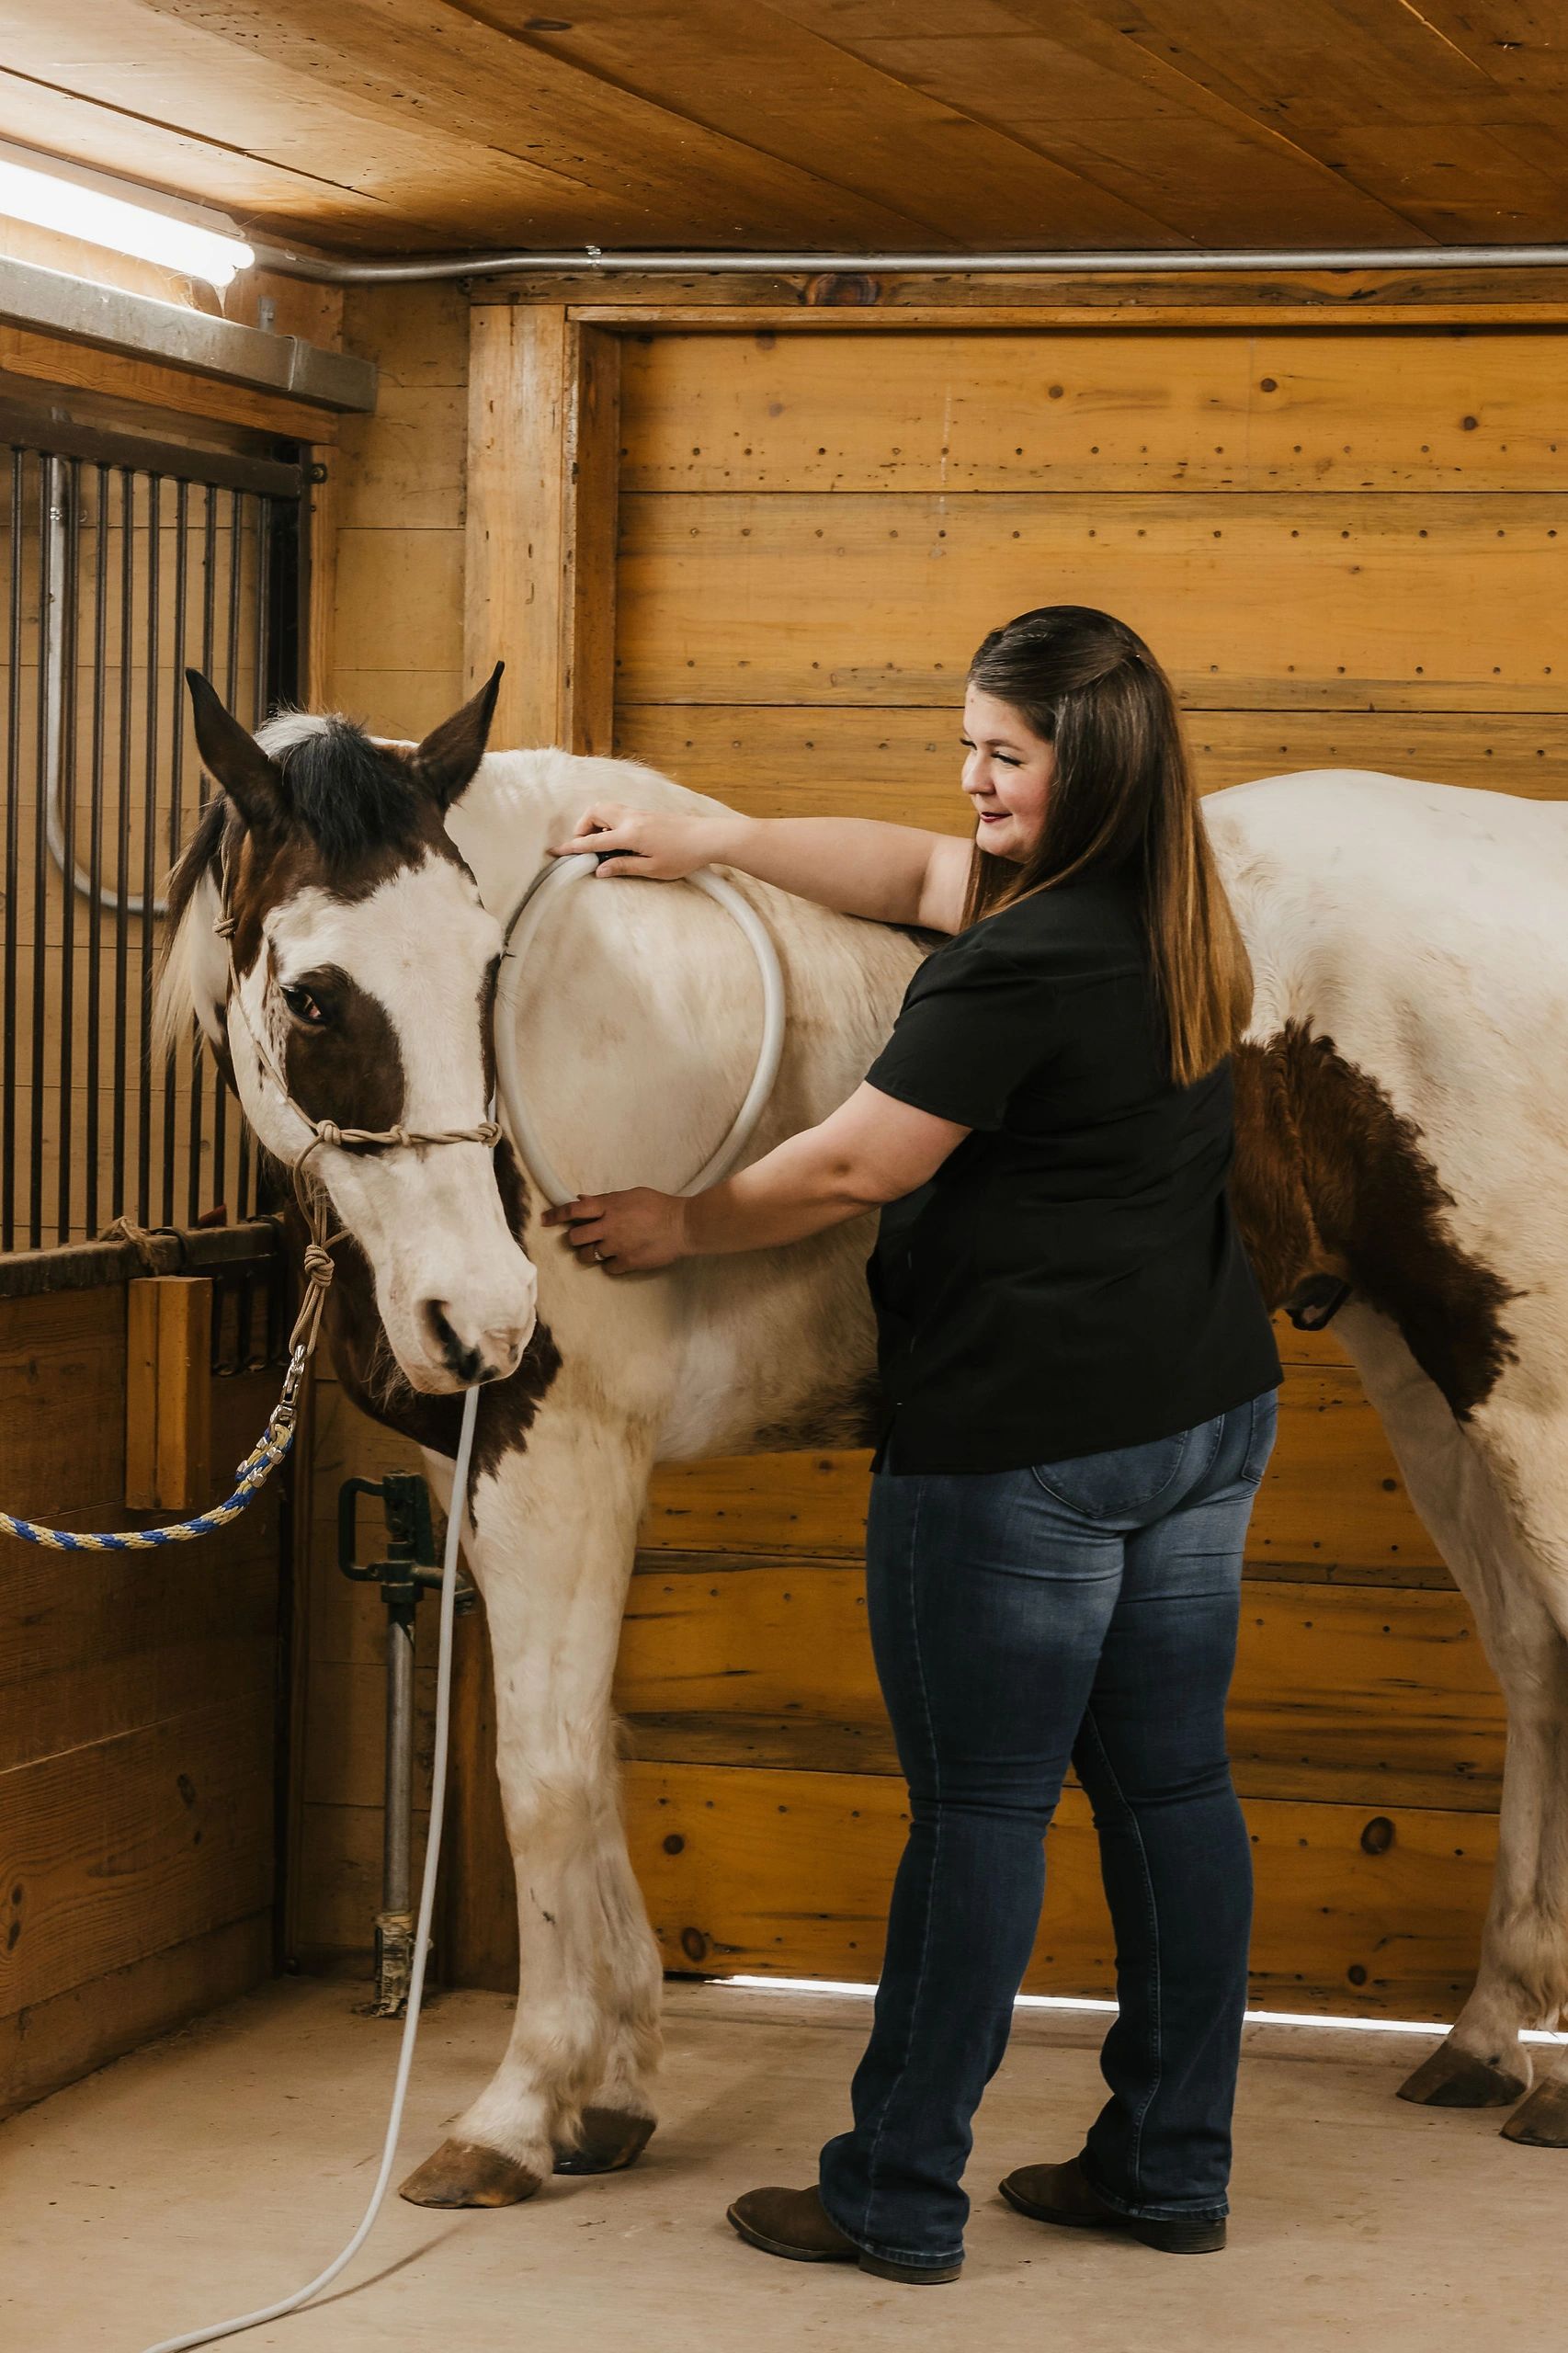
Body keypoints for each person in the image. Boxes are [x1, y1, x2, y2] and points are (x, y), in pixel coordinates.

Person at [540, 604, 1282, 2287]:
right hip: (1201, 1411)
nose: (970, 782)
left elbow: (855, 1166)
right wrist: (723, 838)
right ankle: (1169, 2169)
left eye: (1003, 755)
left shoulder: (1030, 955)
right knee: (1172, 1790)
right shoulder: (1170, 911)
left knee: (977, 1816)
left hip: (1027, 1445)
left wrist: (680, 1219)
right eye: (966, 745)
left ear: (1090, 764)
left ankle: (893, 2192)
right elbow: (907, 869)